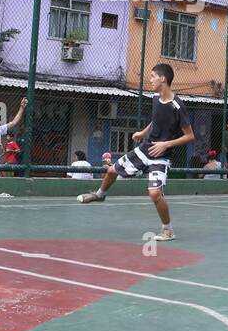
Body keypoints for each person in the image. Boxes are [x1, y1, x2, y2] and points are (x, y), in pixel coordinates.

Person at [78, 63, 193, 242]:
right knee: (111, 171)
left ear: (163, 79)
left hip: (161, 157)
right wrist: (143, 132)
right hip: (143, 150)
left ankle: (168, 230)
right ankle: (99, 195)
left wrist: (165, 145)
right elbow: (156, 120)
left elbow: (189, 136)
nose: (151, 79)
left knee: (154, 194)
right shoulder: (156, 98)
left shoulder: (178, 106)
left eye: (153, 76)